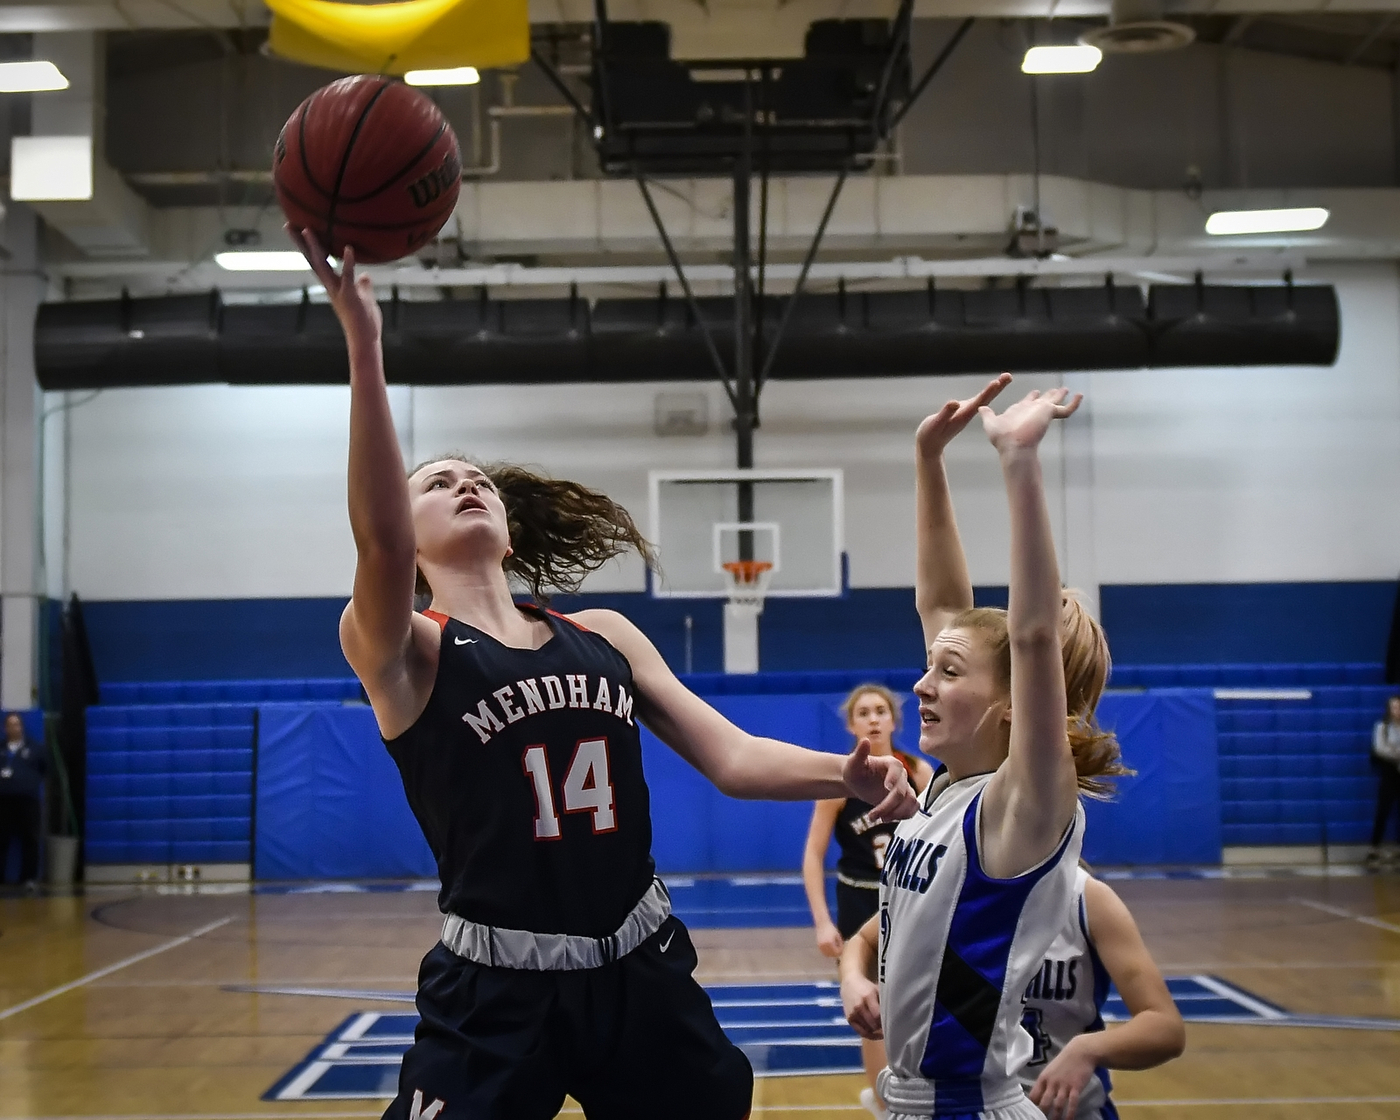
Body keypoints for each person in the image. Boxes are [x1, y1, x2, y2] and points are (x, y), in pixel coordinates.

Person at [290, 228, 918, 1120]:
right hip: (495, 988)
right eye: (437, 484)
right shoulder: (403, 647)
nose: (465, 484)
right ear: (413, 537)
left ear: (510, 531)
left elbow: (733, 759)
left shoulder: (605, 632)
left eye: (480, 481)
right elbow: (379, 540)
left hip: (640, 969)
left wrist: (845, 772)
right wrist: (365, 343)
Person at [839, 377, 1134, 1120]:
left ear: (1013, 707)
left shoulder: (1020, 805)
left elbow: (1031, 636)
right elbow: (939, 602)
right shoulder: (944, 785)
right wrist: (928, 458)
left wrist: (1018, 460)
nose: (921, 684)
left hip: (968, 1104)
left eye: (947, 673)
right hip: (910, 1097)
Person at [802, 683, 935, 1118]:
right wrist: (823, 922)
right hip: (859, 900)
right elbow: (813, 855)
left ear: (896, 720)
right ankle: (884, 1105)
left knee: (920, 1003)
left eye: (881, 710)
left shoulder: (921, 773)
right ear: (851, 723)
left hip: (910, 898)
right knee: (874, 1012)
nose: (874, 719)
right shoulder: (840, 780)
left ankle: (915, 1091)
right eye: (864, 712)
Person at [1018, 867, 1185, 1120]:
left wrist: (1088, 1049)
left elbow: (1165, 1027)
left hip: (1070, 1111)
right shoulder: (954, 889)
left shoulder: (1086, 898)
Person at [0, 712, 45, 891]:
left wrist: (29, 782)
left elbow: (44, 768)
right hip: (4, 800)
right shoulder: (1, 748)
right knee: (2, 839)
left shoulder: (35, 748)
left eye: (17, 724)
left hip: (28, 800)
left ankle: (28, 878)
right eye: (10, 724)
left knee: (30, 839)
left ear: (22, 727)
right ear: (5, 728)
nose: (14, 728)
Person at [1367, 695, 1400, 866]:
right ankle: (1374, 849)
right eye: (1394, 707)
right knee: (1383, 811)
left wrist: (1393, 749)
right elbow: (1380, 749)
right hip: (1389, 773)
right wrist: (1395, 753)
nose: (1397, 711)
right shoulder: (1382, 727)